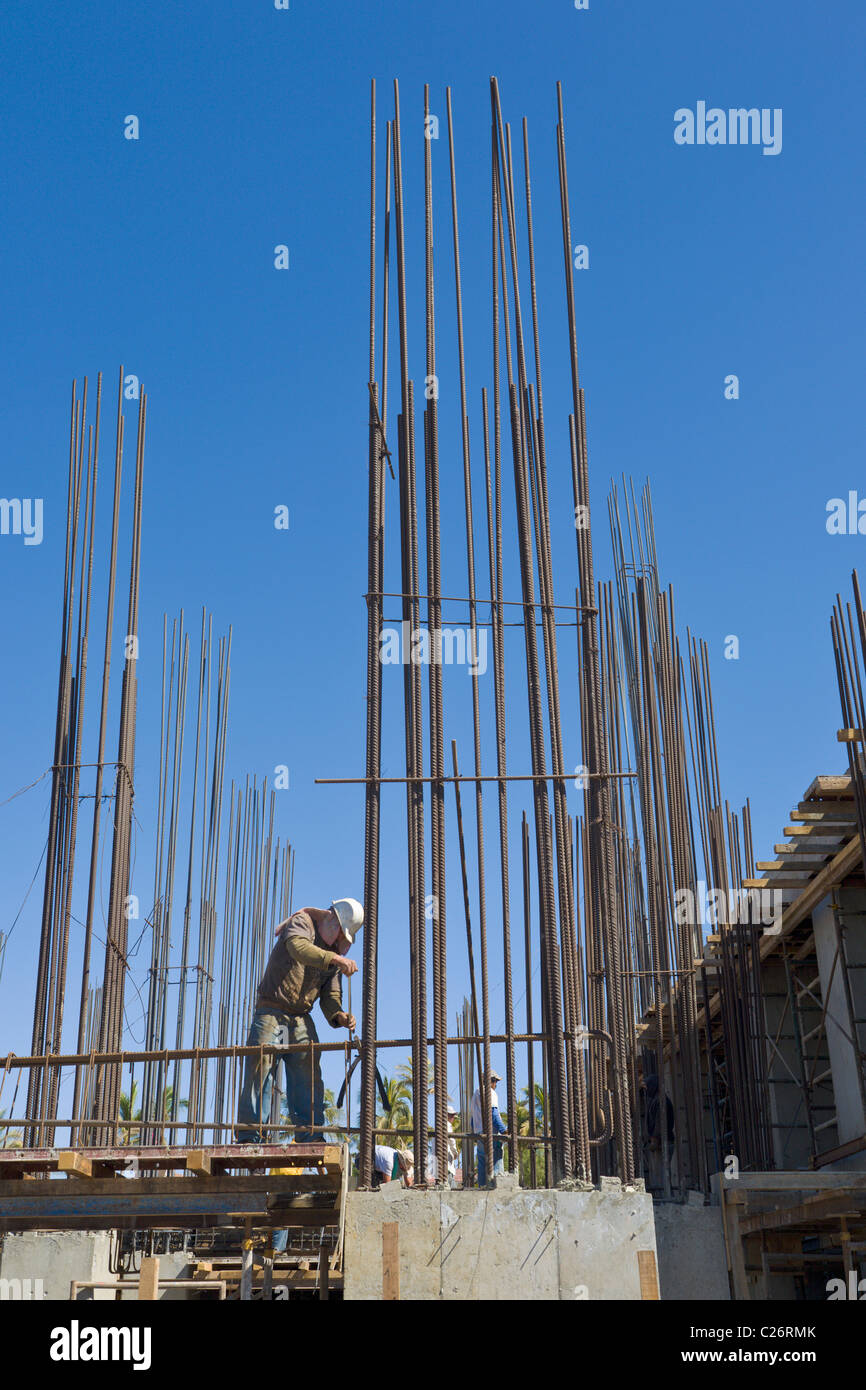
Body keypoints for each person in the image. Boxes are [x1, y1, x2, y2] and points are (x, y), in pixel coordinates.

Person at [238, 898, 363, 1146]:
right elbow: (298, 948)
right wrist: (334, 959)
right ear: (332, 921)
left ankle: (310, 1134)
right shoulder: (303, 922)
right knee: (260, 1068)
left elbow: (330, 996)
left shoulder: (333, 955)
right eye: (340, 937)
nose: (340, 946)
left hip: (299, 1018)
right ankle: (251, 1136)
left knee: (308, 1073)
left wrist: (339, 1015)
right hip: (272, 1011)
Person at [470, 1070, 507, 1185]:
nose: (496, 1085)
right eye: (495, 1082)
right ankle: (495, 1184)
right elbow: (493, 1114)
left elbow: (473, 1119)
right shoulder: (490, 1092)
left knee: (481, 1160)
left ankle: (482, 1185)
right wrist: (503, 1130)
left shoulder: (476, 1093)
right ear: (491, 1081)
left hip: (480, 1132)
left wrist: (475, 1133)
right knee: (496, 1157)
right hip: (492, 1132)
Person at [426, 1101, 460, 1185]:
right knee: (450, 1188)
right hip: (446, 1164)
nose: (453, 1118)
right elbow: (451, 1141)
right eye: (452, 1116)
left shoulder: (437, 1125)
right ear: (447, 1115)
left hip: (438, 1164)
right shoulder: (447, 1125)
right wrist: (455, 1153)